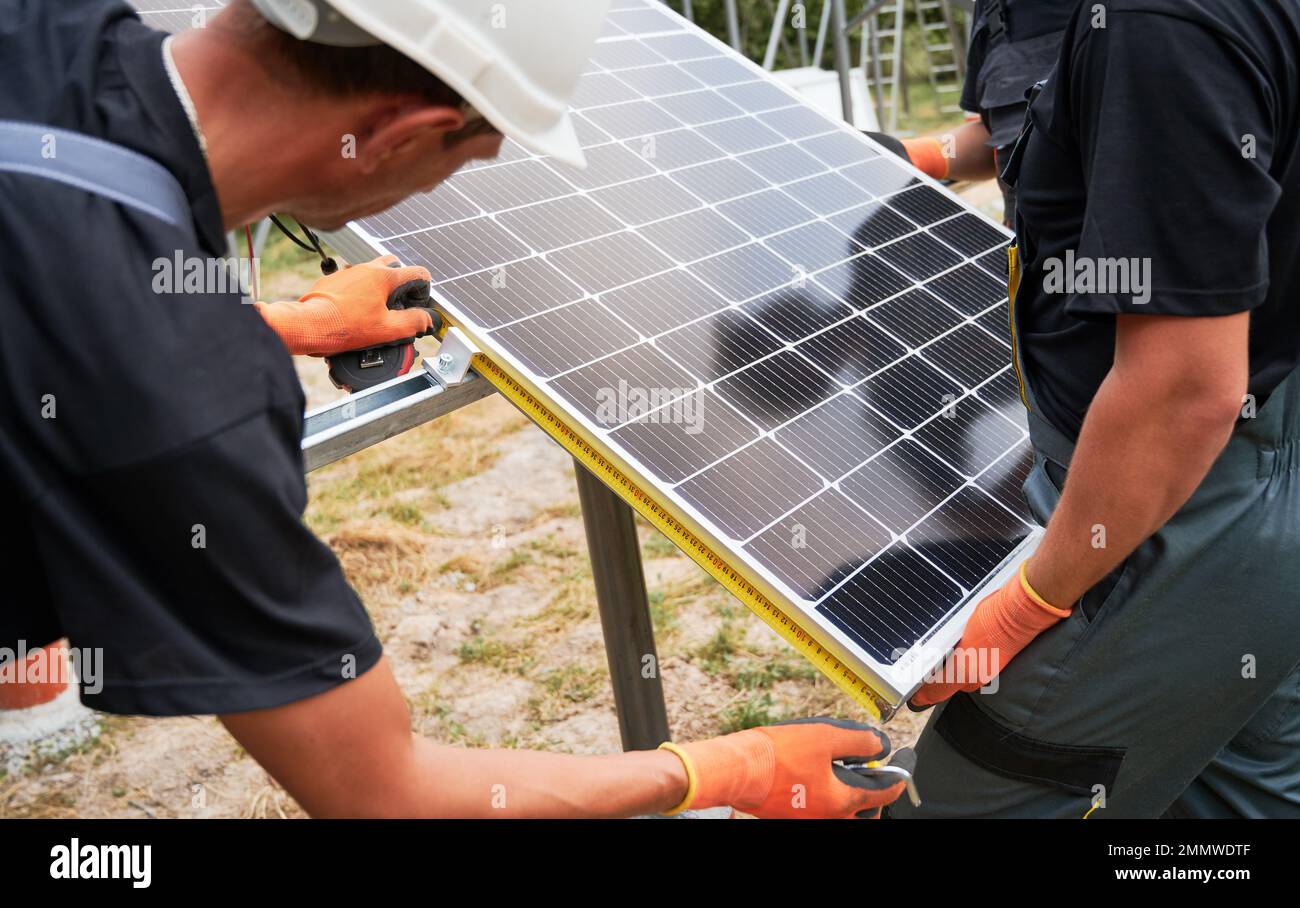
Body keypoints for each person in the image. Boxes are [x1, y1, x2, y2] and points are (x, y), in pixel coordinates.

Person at [0, 0, 907, 818]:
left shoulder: (41, 29)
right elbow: (382, 792)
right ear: (403, 132)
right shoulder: (195, 407)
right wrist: (732, 769)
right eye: (469, 160)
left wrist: (285, 323)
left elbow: (70, 289)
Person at [892, 0, 1300, 818]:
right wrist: (930, 154)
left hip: (1170, 494)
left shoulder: (1161, 23)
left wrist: (1034, 601)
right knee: (1237, 783)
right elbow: (1030, 120)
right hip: (1248, 456)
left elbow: (1182, 390)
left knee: (988, 787)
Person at [874, 0, 1078, 226]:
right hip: (1028, 247)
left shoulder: (1109, 13)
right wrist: (921, 155)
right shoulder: (992, 7)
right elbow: (997, 136)